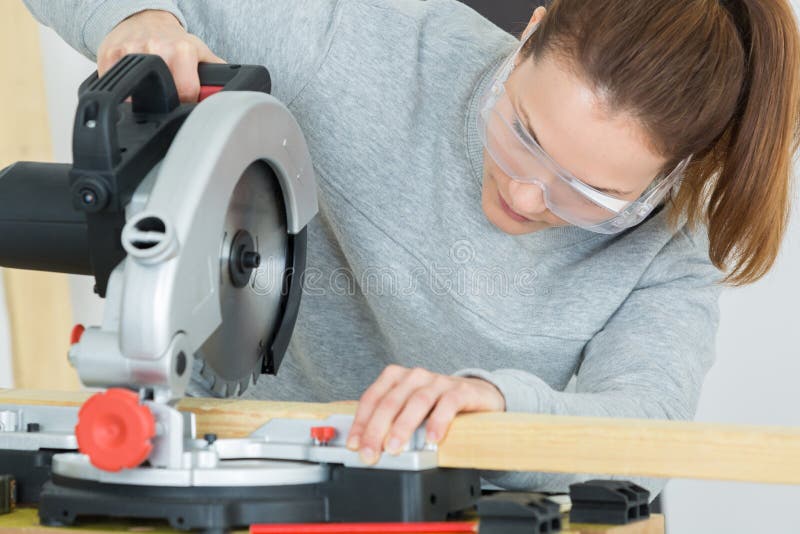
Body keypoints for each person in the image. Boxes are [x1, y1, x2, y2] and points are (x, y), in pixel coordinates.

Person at [23, 0, 799, 500]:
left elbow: (646, 432)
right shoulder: (361, 38)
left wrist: (496, 404)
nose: (528, 195)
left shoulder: (670, 245)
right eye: (524, 133)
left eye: (590, 194)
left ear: (670, 175)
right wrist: (140, 20)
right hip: (237, 475)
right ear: (531, 34)